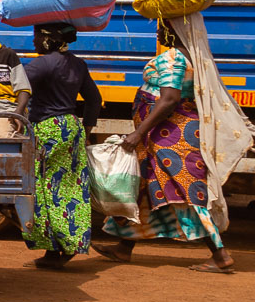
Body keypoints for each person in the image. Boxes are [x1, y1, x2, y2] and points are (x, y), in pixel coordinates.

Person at [95, 14, 248, 272]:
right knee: (145, 188)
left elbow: (168, 98)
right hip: (171, 135)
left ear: (174, 29)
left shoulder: (173, 59)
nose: (158, 31)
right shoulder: (194, 58)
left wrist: (139, 133)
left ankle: (220, 254)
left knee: (185, 193)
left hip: (169, 137)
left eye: (163, 25)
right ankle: (124, 247)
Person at [20, 22, 103, 268]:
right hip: (71, 127)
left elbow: (17, 89)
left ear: (48, 39)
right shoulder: (77, 63)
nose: (33, 42)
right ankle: (65, 247)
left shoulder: (41, 64)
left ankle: (55, 249)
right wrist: (86, 130)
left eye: (36, 37)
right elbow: (94, 99)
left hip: (46, 130)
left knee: (43, 190)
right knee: (70, 189)